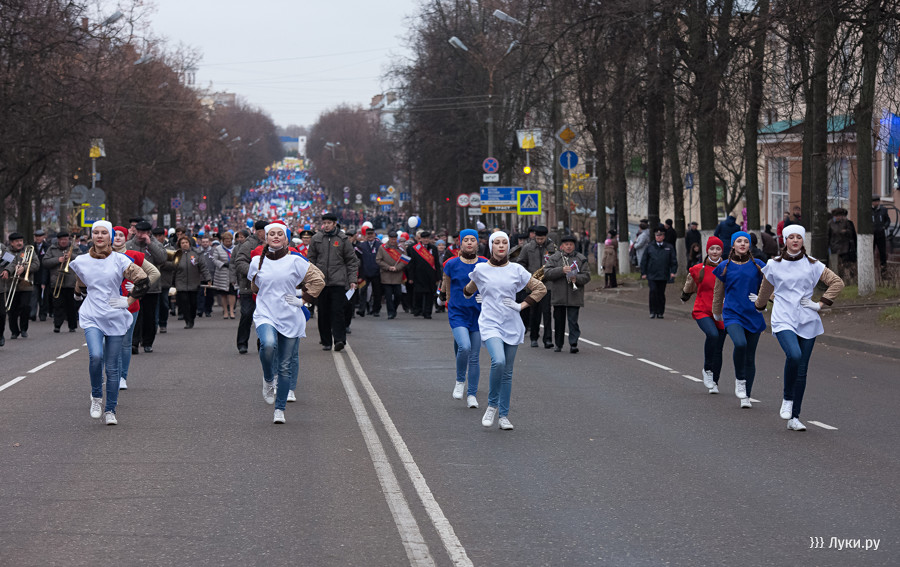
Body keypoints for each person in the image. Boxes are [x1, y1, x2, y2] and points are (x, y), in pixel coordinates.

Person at [754, 225, 844, 431]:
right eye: (791, 237)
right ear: (784, 240)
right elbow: (766, 289)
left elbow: (837, 282)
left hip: (807, 319)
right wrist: (759, 305)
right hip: (783, 317)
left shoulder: (813, 264)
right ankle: (787, 398)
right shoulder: (773, 264)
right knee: (793, 355)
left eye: (799, 237)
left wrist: (820, 304)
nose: (795, 240)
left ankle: (794, 417)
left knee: (802, 370)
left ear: (803, 240)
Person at [463, 232, 546, 430]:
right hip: (490, 322)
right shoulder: (481, 269)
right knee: (498, 360)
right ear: (491, 246)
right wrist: (477, 294)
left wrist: (521, 305)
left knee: (507, 373)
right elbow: (468, 290)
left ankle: (504, 416)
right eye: (497, 243)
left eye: (504, 243)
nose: (501, 246)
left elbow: (540, 288)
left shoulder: (517, 270)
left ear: (508, 247)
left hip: (511, 323)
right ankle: (492, 406)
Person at [69, 220, 149, 425]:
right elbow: (82, 281)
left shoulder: (120, 260)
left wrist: (129, 300)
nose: (99, 236)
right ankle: (97, 397)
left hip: (114, 316)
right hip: (92, 315)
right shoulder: (82, 260)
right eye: (96, 232)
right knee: (96, 356)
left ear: (110, 237)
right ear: (92, 236)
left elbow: (143, 280)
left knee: (112, 368)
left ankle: (110, 409)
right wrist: (78, 295)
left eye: (104, 232)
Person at [247, 222, 325, 424]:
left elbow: (319, 280)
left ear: (286, 239)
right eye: (271, 233)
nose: (275, 236)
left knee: (284, 366)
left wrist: (303, 299)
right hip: (266, 313)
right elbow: (254, 287)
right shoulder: (257, 261)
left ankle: (279, 409)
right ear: (265, 237)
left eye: (279, 234)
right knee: (268, 344)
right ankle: (267, 379)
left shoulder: (295, 261)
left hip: (289, 315)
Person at [712, 231, 767, 408]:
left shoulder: (758, 265)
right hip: (732, 313)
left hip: (753, 314)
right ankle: (739, 380)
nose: (742, 244)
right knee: (740, 344)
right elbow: (718, 291)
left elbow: (771, 285)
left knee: (750, 357)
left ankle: (746, 396)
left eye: (746, 241)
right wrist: (716, 312)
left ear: (749, 245)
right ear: (733, 245)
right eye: (739, 241)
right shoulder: (725, 266)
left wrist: (762, 301)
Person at [440, 228, 487, 407]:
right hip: (458, 312)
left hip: (478, 314)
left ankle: (472, 394)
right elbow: (446, 285)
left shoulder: (484, 263)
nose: (469, 242)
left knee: (474, 357)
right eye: (465, 239)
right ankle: (460, 381)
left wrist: (487, 296)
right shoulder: (451, 264)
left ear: (477, 243)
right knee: (465, 346)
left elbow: (492, 285)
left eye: (472, 240)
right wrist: (443, 297)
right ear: (460, 242)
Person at [681, 236, 726, 394]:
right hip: (703, 309)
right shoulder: (698, 269)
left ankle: (715, 382)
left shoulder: (728, 268)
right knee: (712, 335)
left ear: (722, 250)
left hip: (721, 312)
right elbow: (689, 284)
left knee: (718, 349)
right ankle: (707, 370)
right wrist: (685, 295)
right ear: (707, 250)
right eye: (712, 249)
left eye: (718, 249)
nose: (715, 252)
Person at [307, 212, 358, 351]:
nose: (326, 226)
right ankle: (326, 341)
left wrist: (352, 279)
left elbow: (351, 261)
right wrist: (311, 279)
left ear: (335, 224)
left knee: (338, 312)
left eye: (329, 223)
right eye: (324, 223)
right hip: (321, 282)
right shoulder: (316, 238)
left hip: (338, 282)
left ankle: (339, 340)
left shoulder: (342, 239)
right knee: (323, 312)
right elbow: (310, 260)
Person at [543, 235, 592, 353]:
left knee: (573, 321)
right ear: (562, 246)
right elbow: (547, 273)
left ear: (574, 246)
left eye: (571, 244)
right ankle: (558, 344)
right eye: (566, 244)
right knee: (559, 321)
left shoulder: (580, 258)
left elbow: (587, 275)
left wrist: (577, 278)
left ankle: (573, 343)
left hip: (574, 295)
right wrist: (561, 270)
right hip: (558, 295)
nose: (568, 247)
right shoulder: (554, 258)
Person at [127, 220, 167, 353]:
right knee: (135, 316)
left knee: (150, 317)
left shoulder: (156, 244)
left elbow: (162, 259)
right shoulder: (129, 245)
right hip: (133, 287)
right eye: (138, 232)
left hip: (151, 288)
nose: (140, 235)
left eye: (143, 232)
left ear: (149, 233)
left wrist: (150, 244)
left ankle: (148, 342)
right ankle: (134, 342)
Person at [516, 225, 556, 348]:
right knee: (534, 312)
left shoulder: (552, 248)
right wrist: (528, 275)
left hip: (547, 285)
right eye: (538, 238)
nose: (540, 241)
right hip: (532, 285)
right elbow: (520, 263)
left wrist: (550, 272)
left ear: (546, 237)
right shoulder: (528, 248)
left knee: (547, 313)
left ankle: (548, 339)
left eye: (542, 238)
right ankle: (534, 337)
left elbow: (557, 262)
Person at [234, 221, 266, 354]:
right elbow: (239, 262)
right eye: (262, 231)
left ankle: (263, 343)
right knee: (247, 314)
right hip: (248, 287)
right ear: (257, 231)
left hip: (266, 289)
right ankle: (242, 343)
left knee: (264, 318)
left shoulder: (272, 244)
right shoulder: (248, 244)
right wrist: (254, 273)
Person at [2, 232, 40, 339]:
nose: (19, 243)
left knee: (25, 307)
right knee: (11, 309)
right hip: (10, 284)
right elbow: (6, 265)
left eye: (21, 241)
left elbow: (36, 264)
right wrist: (13, 269)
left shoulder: (28, 251)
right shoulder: (7, 253)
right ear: (11, 243)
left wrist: (25, 269)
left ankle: (24, 329)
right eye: (17, 241)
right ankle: (14, 331)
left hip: (25, 284)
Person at [42, 231, 81, 333]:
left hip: (71, 281)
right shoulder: (52, 249)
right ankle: (57, 325)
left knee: (71, 305)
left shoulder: (75, 248)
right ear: (58, 240)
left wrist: (71, 256)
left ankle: (72, 326)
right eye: (61, 240)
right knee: (57, 305)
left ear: (68, 239)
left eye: (66, 239)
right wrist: (57, 260)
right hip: (57, 281)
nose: (64, 241)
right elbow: (45, 262)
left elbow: (82, 260)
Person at [172, 235, 211, 329]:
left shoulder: (196, 254)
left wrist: (208, 279)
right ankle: (187, 321)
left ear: (189, 243)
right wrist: (171, 282)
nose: (184, 244)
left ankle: (192, 318)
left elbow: (203, 267)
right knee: (184, 302)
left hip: (194, 282)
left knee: (193, 303)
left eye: (186, 243)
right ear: (179, 245)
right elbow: (172, 269)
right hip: (180, 283)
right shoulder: (176, 255)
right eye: (182, 243)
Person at [640, 225, 677, 319]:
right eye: (657, 235)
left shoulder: (669, 247)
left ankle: (660, 312)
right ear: (655, 236)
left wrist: (673, 271)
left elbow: (673, 260)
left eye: (661, 235)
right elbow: (644, 260)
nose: (659, 237)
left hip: (663, 274)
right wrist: (643, 273)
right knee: (653, 292)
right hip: (652, 274)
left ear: (663, 236)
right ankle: (652, 311)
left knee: (661, 293)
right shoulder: (650, 247)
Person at [405, 230, 441, 319]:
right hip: (418, 275)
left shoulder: (433, 248)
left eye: (427, 238)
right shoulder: (415, 248)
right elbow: (411, 264)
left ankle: (427, 312)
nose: (426, 240)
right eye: (424, 238)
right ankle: (418, 309)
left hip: (431, 276)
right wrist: (411, 277)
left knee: (429, 294)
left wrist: (438, 276)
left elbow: (436, 263)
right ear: (420, 239)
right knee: (419, 293)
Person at [375, 230, 408, 319]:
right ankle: (390, 312)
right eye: (391, 239)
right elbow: (378, 260)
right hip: (386, 275)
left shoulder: (401, 248)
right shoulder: (382, 248)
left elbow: (405, 260)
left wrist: (397, 268)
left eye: (394, 239)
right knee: (388, 296)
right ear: (389, 239)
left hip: (397, 275)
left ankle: (394, 308)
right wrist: (388, 267)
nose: (393, 241)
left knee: (398, 294)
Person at [356, 227, 383, 317]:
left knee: (377, 292)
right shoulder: (361, 246)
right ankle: (362, 309)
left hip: (377, 273)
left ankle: (376, 310)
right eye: (368, 234)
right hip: (365, 273)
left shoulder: (380, 245)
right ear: (365, 235)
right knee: (363, 291)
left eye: (372, 234)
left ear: (375, 235)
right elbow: (357, 259)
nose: (370, 236)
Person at [153, 227, 175, 334]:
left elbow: (174, 264)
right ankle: (154, 324)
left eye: (159, 236)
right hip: (153, 281)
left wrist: (161, 262)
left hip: (164, 281)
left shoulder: (170, 248)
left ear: (163, 236)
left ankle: (163, 323)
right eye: (155, 236)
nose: (157, 238)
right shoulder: (150, 247)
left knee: (164, 304)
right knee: (154, 305)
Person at [211, 231, 236, 319]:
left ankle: (232, 311)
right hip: (222, 273)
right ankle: (225, 311)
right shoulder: (218, 248)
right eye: (226, 241)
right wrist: (223, 264)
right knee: (224, 294)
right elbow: (214, 260)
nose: (228, 243)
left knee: (232, 293)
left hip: (232, 273)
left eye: (229, 241)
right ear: (223, 241)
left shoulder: (235, 248)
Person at [827, 208, 857, 276]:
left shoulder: (845, 222)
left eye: (840, 216)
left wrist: (846, 232)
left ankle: (847, 277)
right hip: (834, 246)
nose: (839, 217)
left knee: (846, 263)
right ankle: (839, 276)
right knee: (837, 264)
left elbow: (851, 233)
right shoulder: (830, 223)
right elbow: (828, 235)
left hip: (844, 246)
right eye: (837, 216)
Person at [31, 228, 52, 321]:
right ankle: (32, 313)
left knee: (44, 297)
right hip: (34, 275)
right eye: (36, 236)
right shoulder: (31, 247)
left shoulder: (48, 247)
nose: (38, 238)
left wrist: (45, 279)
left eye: (40, 236)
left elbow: (47, 263)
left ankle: (43, 314)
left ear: (44, 237)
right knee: (34, 296)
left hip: (45, 275)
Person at [872, 196, 891, 274]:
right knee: (870, 252)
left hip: (881, 234)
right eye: (875, 201)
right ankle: (869, 270)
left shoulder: (883, 210)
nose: (876, 203)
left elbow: (887, 220)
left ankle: (884, 271)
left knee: (882, 252)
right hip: (871, 235)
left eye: (877, 201)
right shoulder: (869, 210)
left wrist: (884, 226)